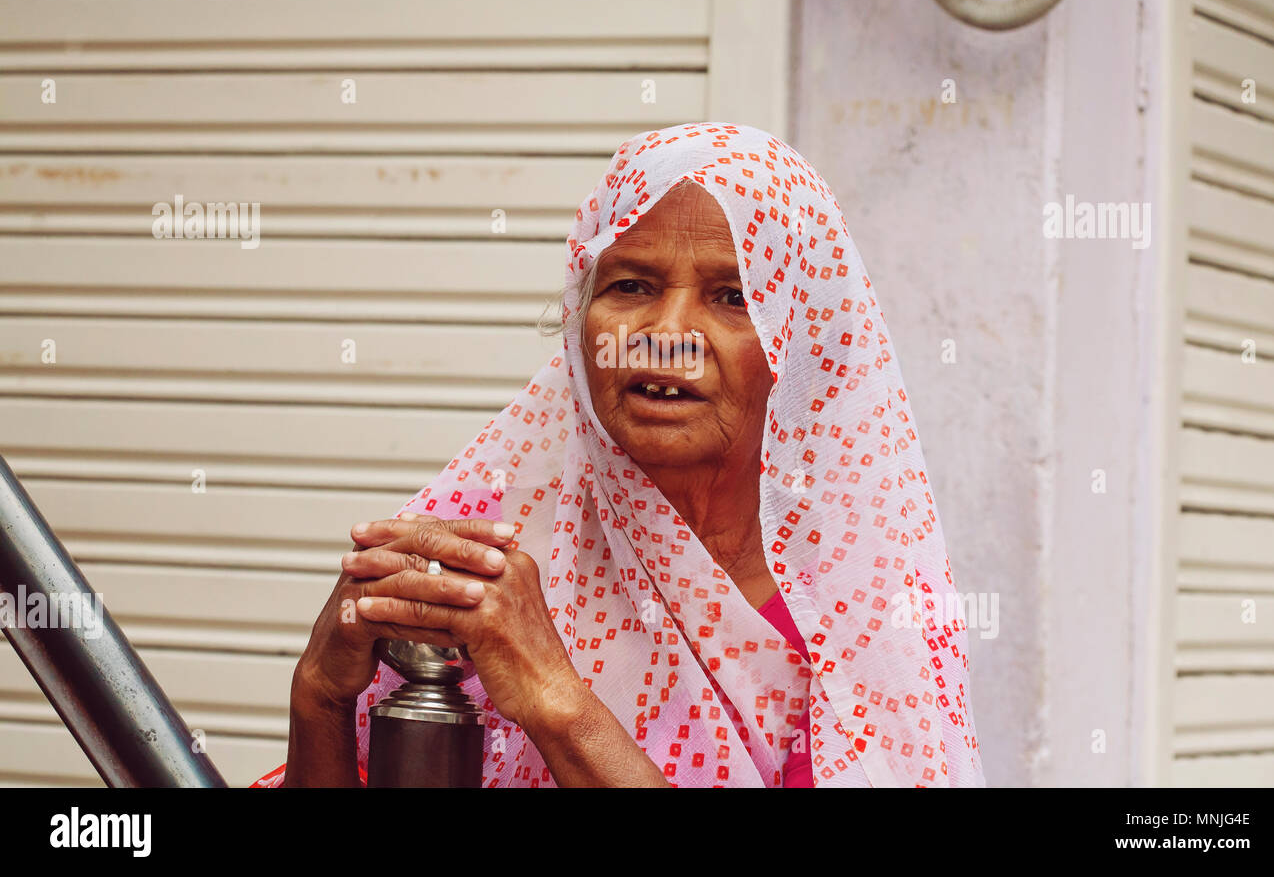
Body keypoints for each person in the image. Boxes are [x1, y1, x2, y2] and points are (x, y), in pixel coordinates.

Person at [252, 121, 985, 788]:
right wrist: (320, 691)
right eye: (631, 285)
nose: (666, 333)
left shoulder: (857, 606)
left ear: (801, 348)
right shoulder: (486, 535)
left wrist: (556, 700)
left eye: (733, 296)